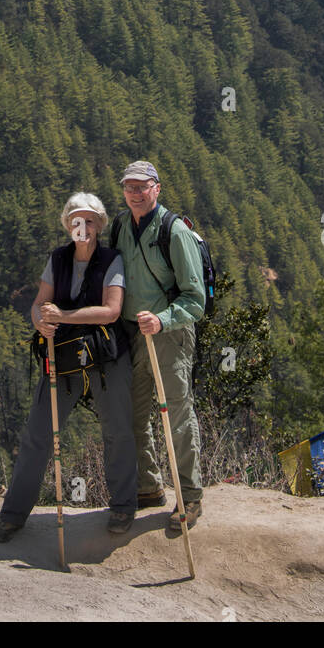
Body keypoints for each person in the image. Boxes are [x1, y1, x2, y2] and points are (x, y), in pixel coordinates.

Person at [0, 192, 138, 542]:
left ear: (99, 225)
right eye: (76, 221)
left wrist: (63, 316)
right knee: (37, 434)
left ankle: (123, 506)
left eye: (89, 221)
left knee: (117, 431)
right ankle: (13, 515)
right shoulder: (57, 259)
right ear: (67, 226)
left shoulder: (112, 259)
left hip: (104, 356)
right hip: (64, 353)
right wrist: (40, 321)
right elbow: (40, 304)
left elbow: (111, 310)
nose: (82, 227)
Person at [113, 160, 205, 533]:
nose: (135, 193)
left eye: (142, 186)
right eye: (129, 187)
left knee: (176, 417)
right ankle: (149, 488)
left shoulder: (175, 231)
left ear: (157, 188)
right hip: (133, 334)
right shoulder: (120, 226)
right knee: (135, 415)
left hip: (169, 336)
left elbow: (196, 300)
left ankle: (190, 496)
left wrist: (163, 319)